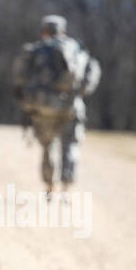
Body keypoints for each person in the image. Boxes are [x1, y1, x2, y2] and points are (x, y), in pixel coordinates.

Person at [11, 15, 100, 195]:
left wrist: (26, 100)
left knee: (47, 146)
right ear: (63, 31)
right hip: (70, 106)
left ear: (43, 31)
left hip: (41, 107)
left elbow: (20, 78)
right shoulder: (75, 48)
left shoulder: (36, 50)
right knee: (70, 145)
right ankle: (67, 187)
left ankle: (49, 185)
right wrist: (80, 92)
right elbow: (90, 74)